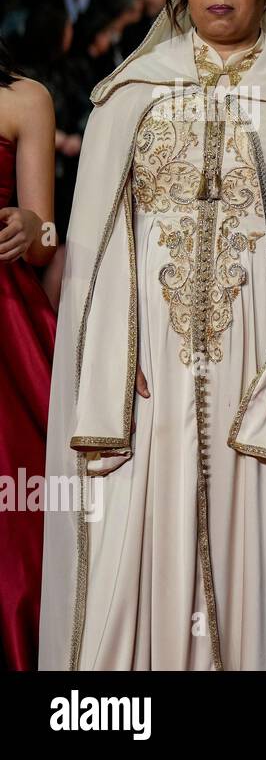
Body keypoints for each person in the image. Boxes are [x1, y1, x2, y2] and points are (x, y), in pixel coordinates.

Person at [39, 0, 266, 670]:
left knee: (258, 523)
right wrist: (114, 350)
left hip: (261, 360)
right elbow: (94, 251)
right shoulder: (132, 92)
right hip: (152, 365)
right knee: (148, 526)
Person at [0, 42, 57, 670]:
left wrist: (28, 223)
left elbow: (45, 237)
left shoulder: (25, 97)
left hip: (6, 317)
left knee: (18, 514)